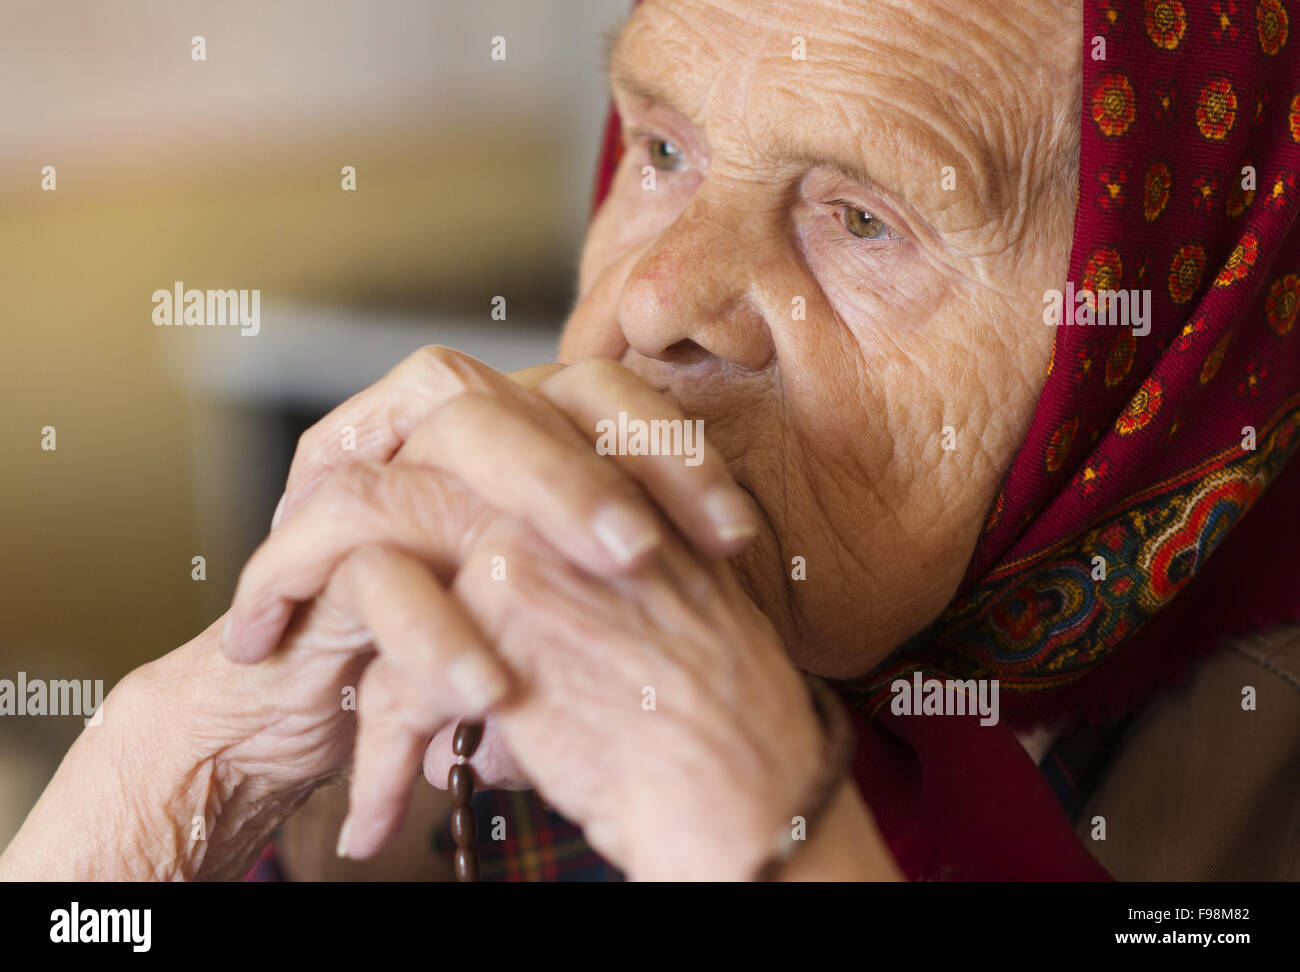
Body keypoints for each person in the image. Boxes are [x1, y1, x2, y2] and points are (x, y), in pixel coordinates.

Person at [4, 0, 1298, 882]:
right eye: (664, 147)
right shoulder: (454, 686)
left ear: (1161, 338)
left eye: (861, 222)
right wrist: (166, 781)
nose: (658, 298)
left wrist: (754, 826)